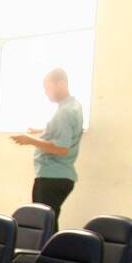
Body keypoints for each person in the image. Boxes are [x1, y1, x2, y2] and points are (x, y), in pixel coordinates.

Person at [11, 68, 84, 218]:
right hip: (60, 176)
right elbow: (66, 131)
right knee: (48, 222)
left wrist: (30, 140)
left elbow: (62, 148)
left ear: (61, 84)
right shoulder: (73, 106)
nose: (46, 93)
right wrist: (42, 130)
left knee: (42, 223)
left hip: (52, 176)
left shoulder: (64, 112)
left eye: (48, 88)